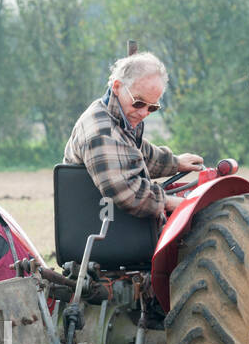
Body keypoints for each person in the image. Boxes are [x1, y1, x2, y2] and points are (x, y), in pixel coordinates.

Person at [63, 51, 203, 219]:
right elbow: (128, 194)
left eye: (152, 107)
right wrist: (177, 203)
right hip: (101, 224)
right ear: (116, 87)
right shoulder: (101, 132)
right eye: (138, 102)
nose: (144, 112)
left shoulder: (118, 117)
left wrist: (175, 162)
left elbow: (135, 153)